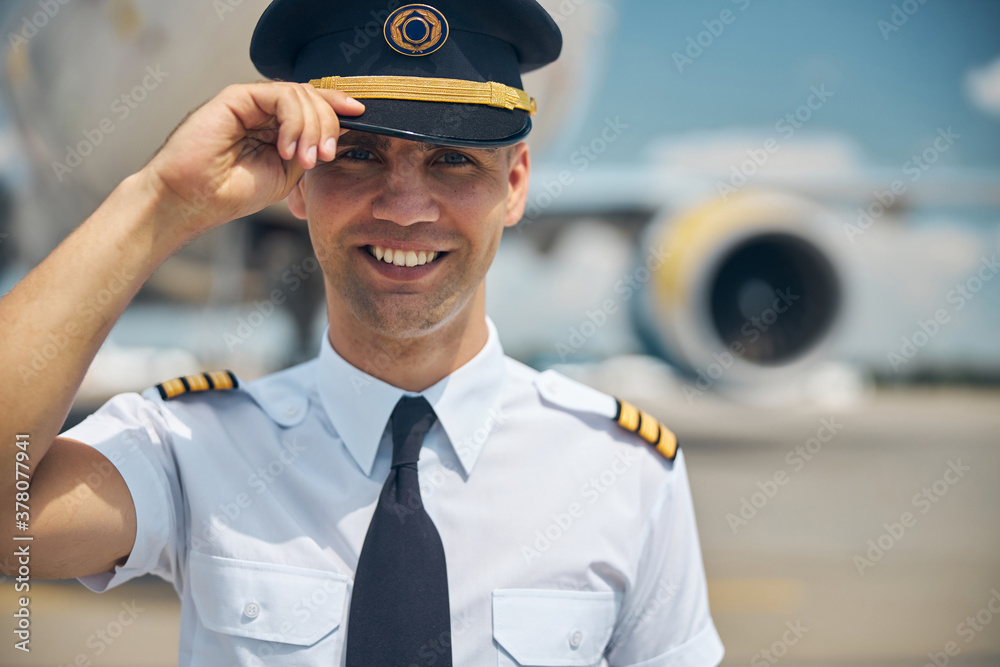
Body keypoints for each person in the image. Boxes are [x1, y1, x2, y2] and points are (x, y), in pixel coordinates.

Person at [0, 0, 724, 664]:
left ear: (515, 183)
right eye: (356, 155)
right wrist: (163, 198)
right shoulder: (194, 451)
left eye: (452, 159)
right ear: (297, 180)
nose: (406, 208)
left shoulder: (626, 475)